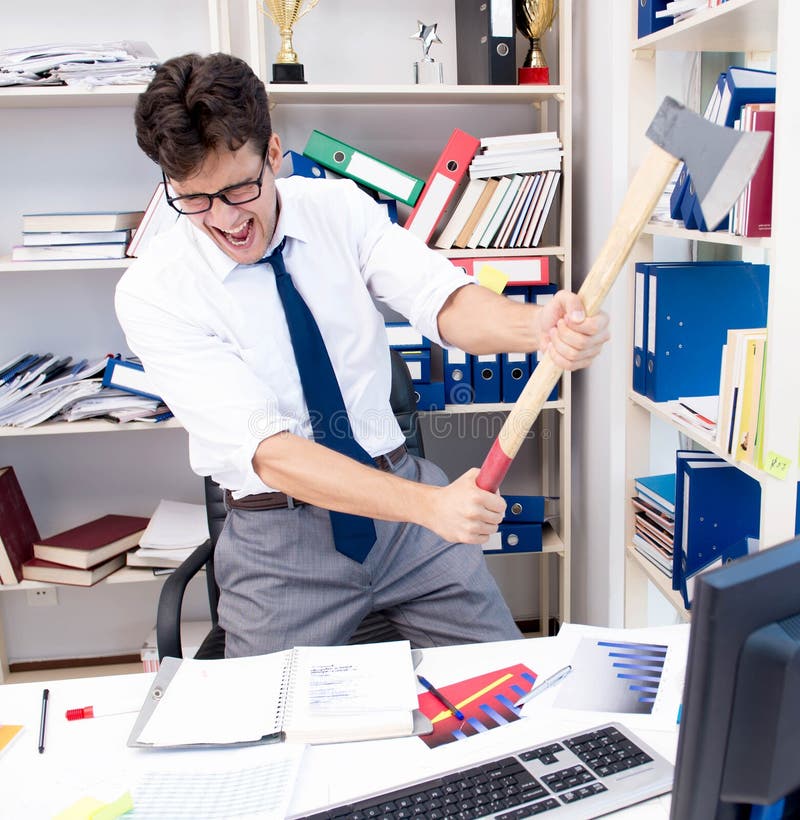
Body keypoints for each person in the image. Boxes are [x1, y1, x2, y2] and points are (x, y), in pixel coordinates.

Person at [116, 53, 610, 658]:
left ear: (273, 154)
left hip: (406, 518)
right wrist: (432, 505)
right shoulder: (154, 290)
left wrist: (536, 325)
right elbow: (270, 453)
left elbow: (442, 302)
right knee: (271, 738)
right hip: (280, 543)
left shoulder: (340, 210)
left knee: (505, 690)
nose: (225, 219)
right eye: (195, 200)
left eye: (240, 188)